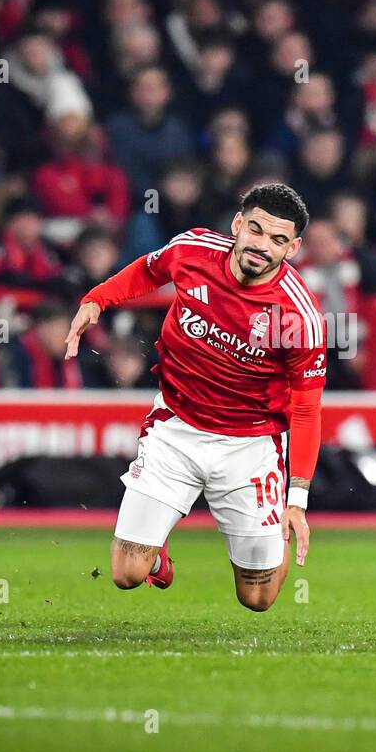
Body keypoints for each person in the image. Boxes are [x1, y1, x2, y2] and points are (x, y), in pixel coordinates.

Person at [63, 183, 325, 612]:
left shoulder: (298, 316)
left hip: (250, 445)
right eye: (256, 230)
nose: (262, 245)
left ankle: (265, 534)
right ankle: (157, 556)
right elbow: (149, 270)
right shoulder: (192, 250)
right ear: (238, 224)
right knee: (126, 573)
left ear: (292, 248)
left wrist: (296, 501)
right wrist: (98, 299)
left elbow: (306, 409)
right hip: (176, 427)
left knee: (257, 598)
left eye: (278, 240)